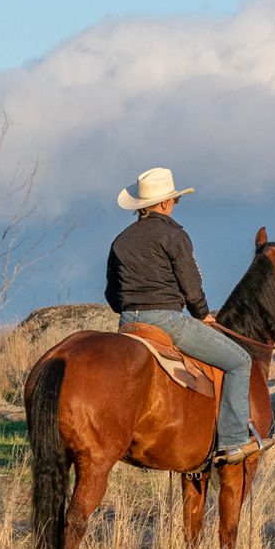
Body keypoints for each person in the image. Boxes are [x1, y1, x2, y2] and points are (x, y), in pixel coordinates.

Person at [104, 166, 259, 462]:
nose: (174, 206)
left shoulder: (121, 240)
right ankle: (233, 442)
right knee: (240, 361)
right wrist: (202, 314)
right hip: (167, 321)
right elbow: (191, 283)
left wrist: (130, 310)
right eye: (174, 201)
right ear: (163, 203)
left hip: (127, 323)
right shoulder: (174, 235)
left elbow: (112, 293)